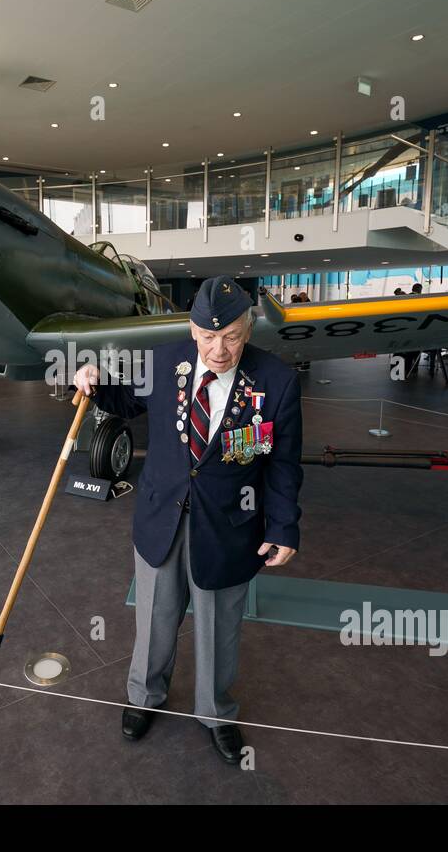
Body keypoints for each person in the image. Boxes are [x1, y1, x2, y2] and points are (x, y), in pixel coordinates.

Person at [75, 276, 303, 766]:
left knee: (219, 626)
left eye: (232, 337)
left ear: (248, 328)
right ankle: (144, 696)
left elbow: (283, 463)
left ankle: (216, 712)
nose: (218, 350)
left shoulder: (276, 381)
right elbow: (124, 402)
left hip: (229, 527)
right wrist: (94, 380)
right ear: (191, 329)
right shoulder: (163, 361)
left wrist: (283, 527)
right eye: (206, 337)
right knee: (154, 619)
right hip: (161, 515)